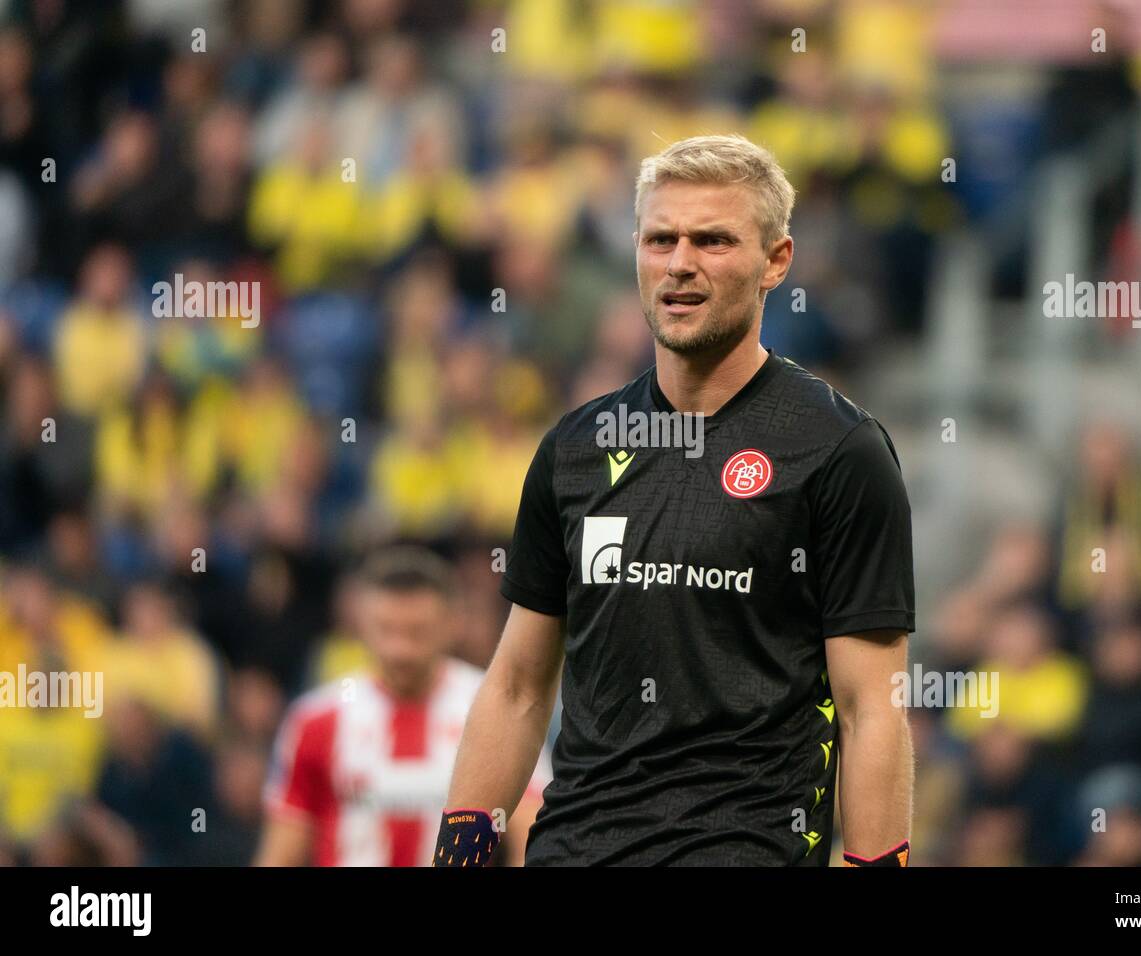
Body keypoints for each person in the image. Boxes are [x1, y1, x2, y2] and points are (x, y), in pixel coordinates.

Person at [437, 134, 915, 867]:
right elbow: (516, 686)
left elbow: (871, 708)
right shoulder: (573, 450)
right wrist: (462, 846)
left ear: (776, 262)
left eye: (714, 240)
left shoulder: (838, 451)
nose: (681, 262)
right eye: (661, 238)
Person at [255, 546, 549, 866]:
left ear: (452, 624)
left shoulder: (496, 709)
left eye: (416, 632)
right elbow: (281, 852)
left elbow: (530, 838)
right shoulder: (316, 718)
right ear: (361, 624)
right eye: (387, 630)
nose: (401, 650)